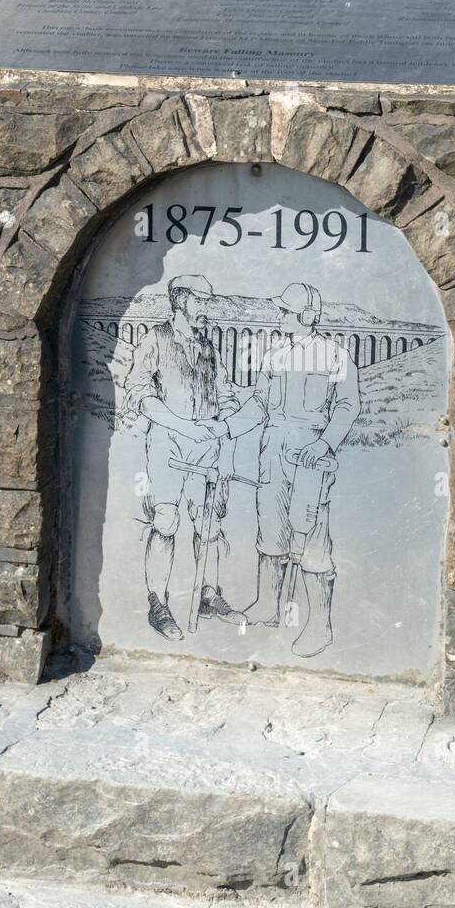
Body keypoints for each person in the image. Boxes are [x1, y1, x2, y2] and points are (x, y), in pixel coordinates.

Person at [221, 282, 360, 657]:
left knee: (312, 538)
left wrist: (325, 443)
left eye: (286, 311)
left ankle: (320, 625)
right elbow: (260, 403)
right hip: (273, 452)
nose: (280, 316)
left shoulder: (334, 355)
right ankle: (268, 606)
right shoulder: (275, 355)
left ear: (308, 316)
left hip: (311, 455)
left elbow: (348, 406)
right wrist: (226, 427)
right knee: (271, 529)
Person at [122, 275, 242, 640]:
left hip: (206, 443)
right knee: (166, 520)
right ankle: (158, 604)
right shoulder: (156, 339)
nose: (207, 309)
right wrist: (182, 425)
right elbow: (139, 391)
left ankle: (207, 594)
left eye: (209, 302)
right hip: (168, 442)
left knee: (209, 524)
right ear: (180, 302)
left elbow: (225, 393)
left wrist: (227, 421)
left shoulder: (208, 347)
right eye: (201, 302)